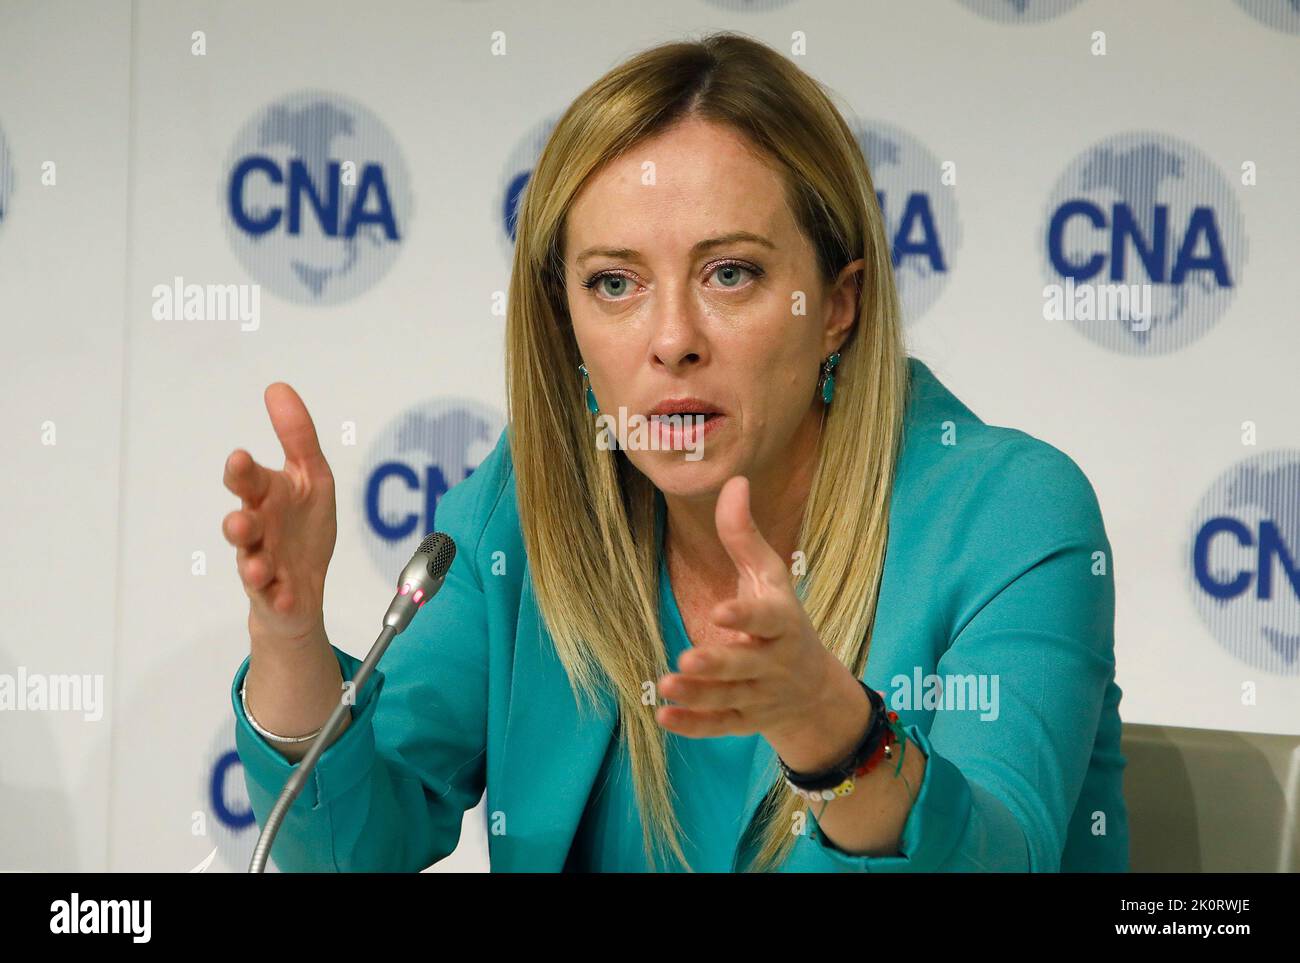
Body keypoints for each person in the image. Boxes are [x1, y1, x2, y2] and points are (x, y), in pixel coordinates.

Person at [222, 32, 1128, 872]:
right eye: (615, 283)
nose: (672, 340)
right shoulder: (524, 512)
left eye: (730, 273)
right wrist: (291, 637)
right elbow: (348, 850)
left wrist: (834, 736)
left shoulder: (1010, 516)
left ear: (838, 305)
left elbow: (1005, 855)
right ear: (567, 325)